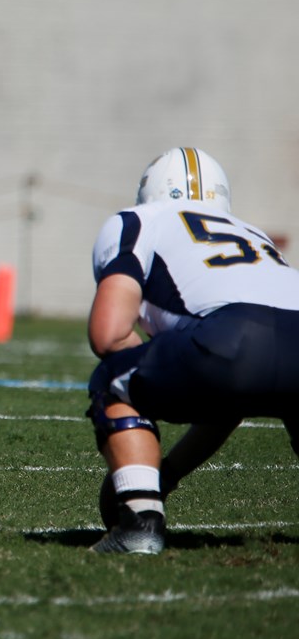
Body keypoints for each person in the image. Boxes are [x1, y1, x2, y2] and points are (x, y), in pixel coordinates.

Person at [85, 147, 299, 555]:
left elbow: (108, 335)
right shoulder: (255, 234)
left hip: (232, 336)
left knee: (114, 376)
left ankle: (139, 525)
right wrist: (167, 474)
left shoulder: (137, 220)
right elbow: (229, 401)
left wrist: (142, 478)